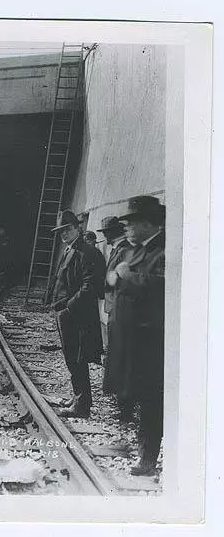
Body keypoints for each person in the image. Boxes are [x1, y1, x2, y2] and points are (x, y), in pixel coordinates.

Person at [106, 195, 165, 476]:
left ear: (146, 223)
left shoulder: (164, 250)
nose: (126, 228)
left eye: (130, 223)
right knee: (138, 395)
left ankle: (148, 457)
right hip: (130, 338)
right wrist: (116, 276)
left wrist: (127, 276)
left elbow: (163, 285)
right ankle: (142, 449)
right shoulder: (133, 250)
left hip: (151, 339)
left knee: (152, 398)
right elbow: (114, 277)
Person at [45, 210, 104, 418]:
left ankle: (82, 405)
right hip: (66, 314)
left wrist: (68, 307)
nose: (63, 234)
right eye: (61, 231)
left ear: (78, 228)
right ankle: (78, 397)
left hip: (77, 316)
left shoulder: (87, 252)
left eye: (67, 229)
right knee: (71, 358)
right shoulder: (70, 249)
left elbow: (90, 287)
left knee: (78, 359)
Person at [98, 216, 134, 421]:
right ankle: (121, 403)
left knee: (121, 356)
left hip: (121, 311)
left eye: (106, 234)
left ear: (112, 234)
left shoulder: (124, 250)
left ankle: (124, 407)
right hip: (115, 310)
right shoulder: (119, 249)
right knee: (117, 355)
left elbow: (118, 281)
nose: (106, 238)